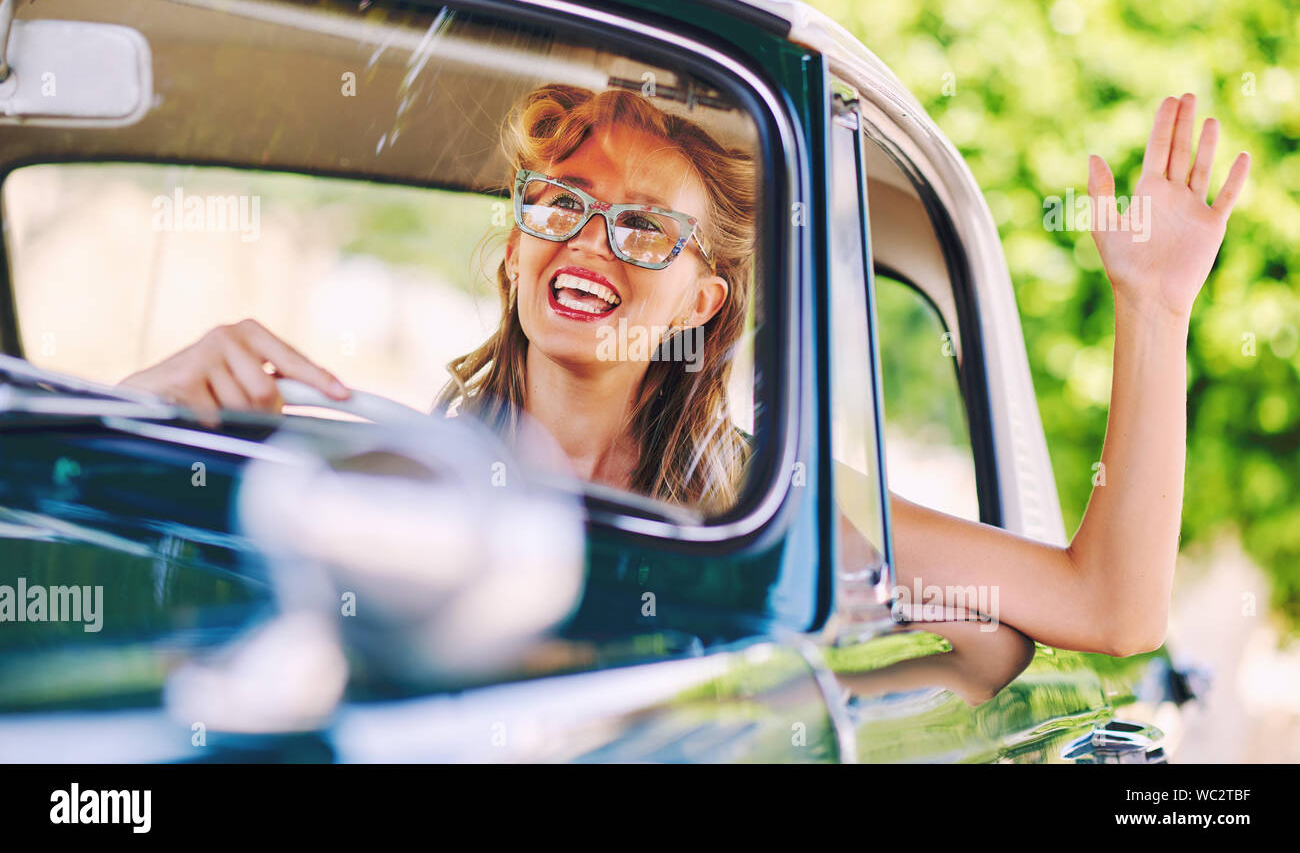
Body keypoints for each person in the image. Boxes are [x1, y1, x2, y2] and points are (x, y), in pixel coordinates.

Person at [118, 88, 1250, 658]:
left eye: (645, 228)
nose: (588, 245)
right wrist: (141, 424)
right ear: (515, 245)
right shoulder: (370, 464)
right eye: (558, 205)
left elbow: (1112, 606)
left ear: (704, 301)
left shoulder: (783, 509)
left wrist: (1151, 309)